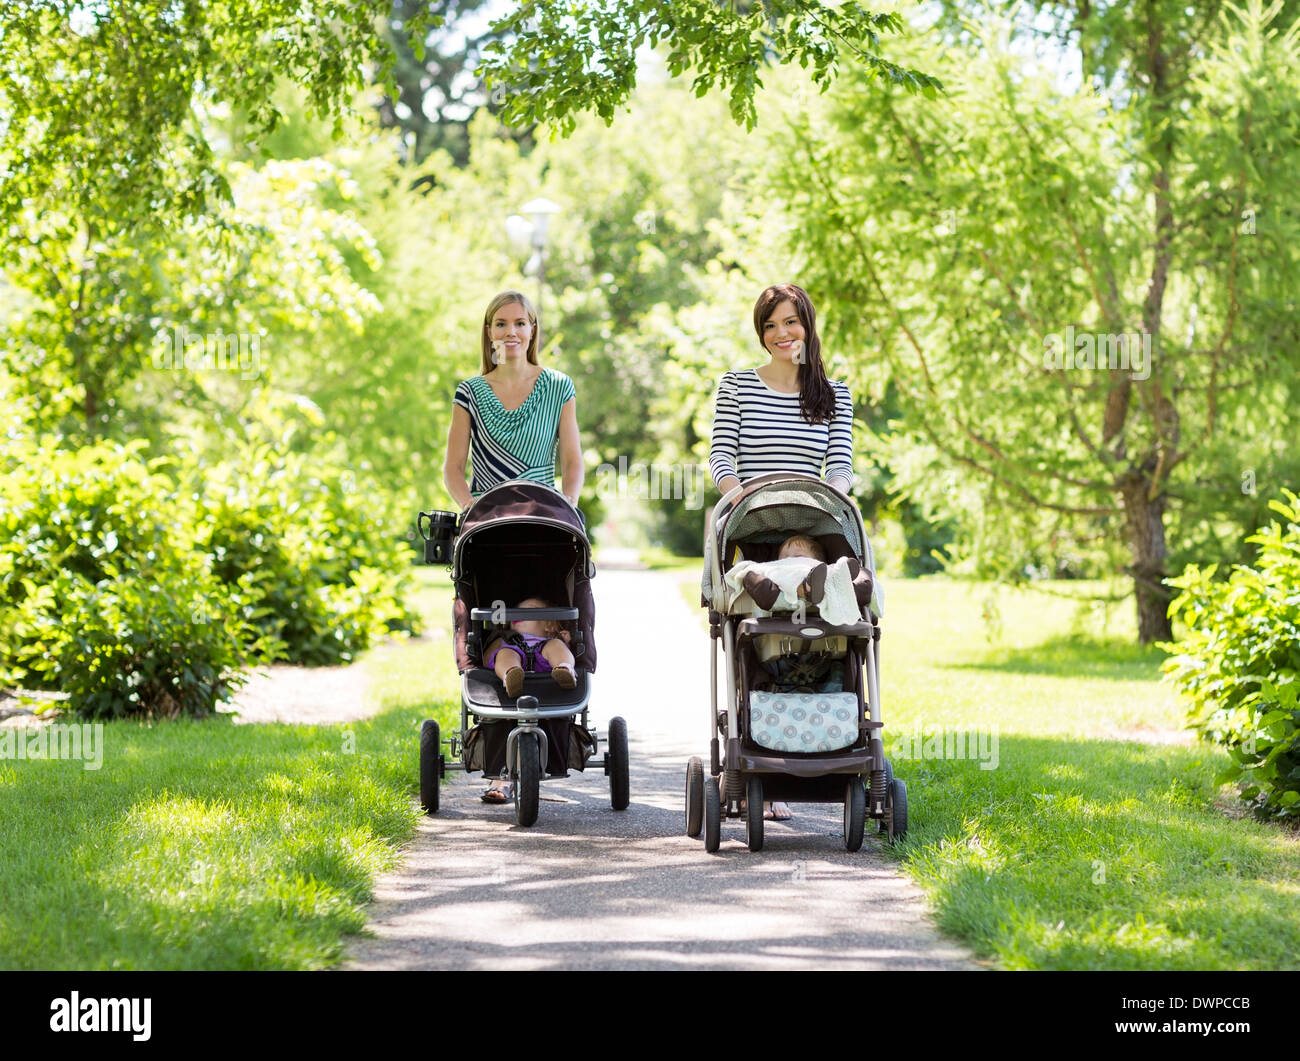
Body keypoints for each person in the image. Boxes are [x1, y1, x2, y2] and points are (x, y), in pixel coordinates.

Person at [709, 283, 855, 820]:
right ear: (761, 332)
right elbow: (722, 459)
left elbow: (839, 467)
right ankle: (766, 576)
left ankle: (809, 578)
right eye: (770, 325)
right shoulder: (737, 387)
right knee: (771, 558)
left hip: (807, 518)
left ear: (807, 326)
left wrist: (832, 497)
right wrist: (742, 496)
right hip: (753, 516)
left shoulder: (834, 393)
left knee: (801, 547)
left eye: (790, 322)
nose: (781, 334)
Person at [444, 290, 586, 802]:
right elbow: (453, 472)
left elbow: (572, 463)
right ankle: (499, 766)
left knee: (555, 607)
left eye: (519, 323)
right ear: (488, 332)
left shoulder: (558, 386)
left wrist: (566, 507)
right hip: (489, 528)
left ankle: (561, 697)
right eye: (500, 323)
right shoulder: (470, 392)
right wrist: (471, 512)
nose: (510, 332)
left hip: (546, 522)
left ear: (532, 331)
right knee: (490, 622)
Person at [484, 596, 578, 699]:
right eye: (516, 612)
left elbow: (564, 649)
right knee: (504, 653)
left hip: (546, 660)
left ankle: (564, 668)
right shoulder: (506, 639)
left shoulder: (550, 641)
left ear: (549, 625)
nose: (518, 615)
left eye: (528, 611)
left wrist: (564, 640)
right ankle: (510, 676)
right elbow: (486, 659)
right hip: (516, 657)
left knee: (556, 645)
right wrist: (497, 644)